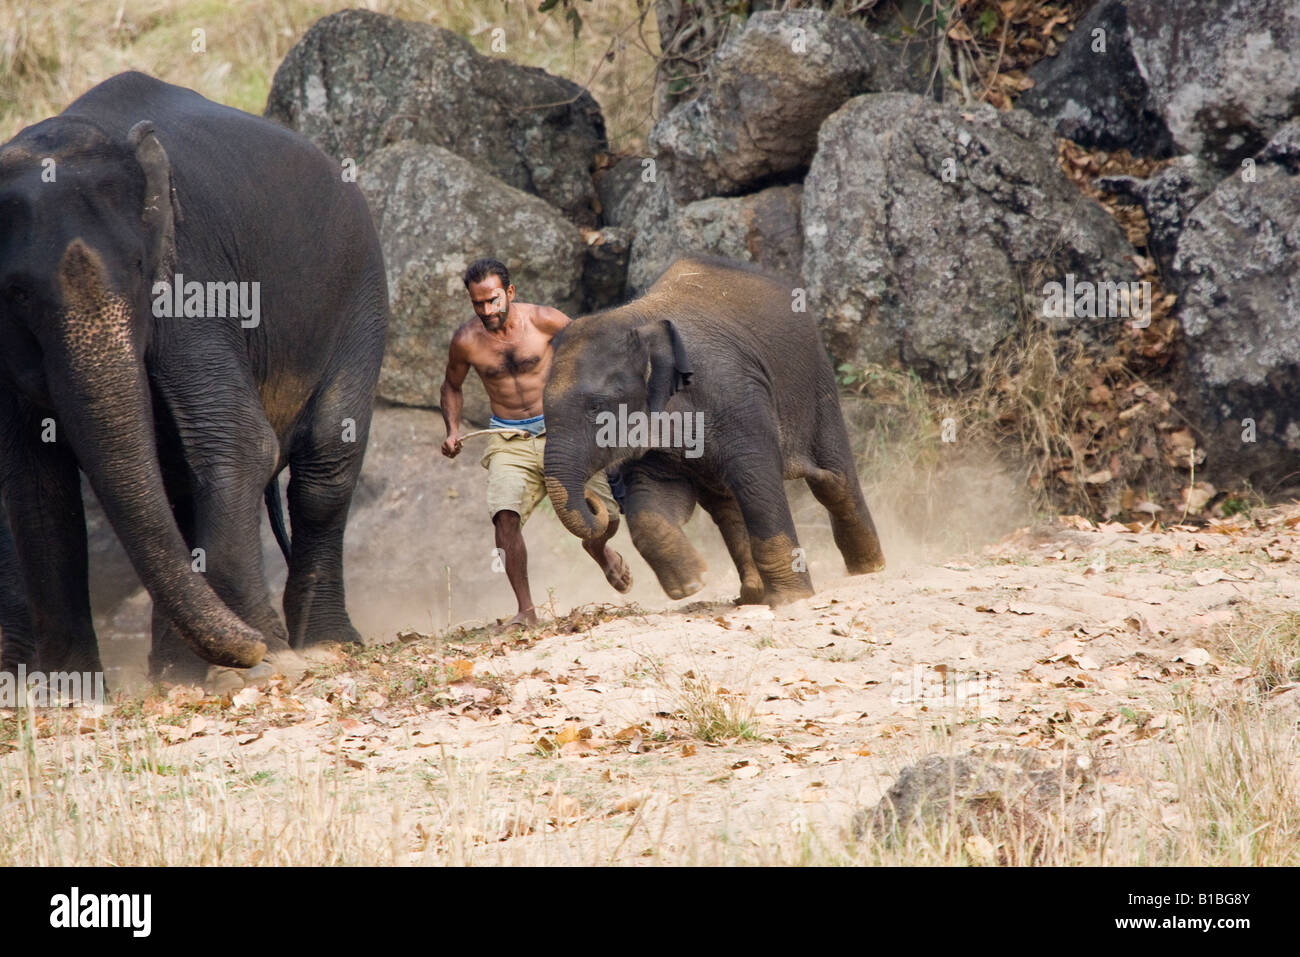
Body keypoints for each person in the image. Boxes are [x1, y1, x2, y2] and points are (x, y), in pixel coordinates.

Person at [440, 258, 632, 629]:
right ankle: (526, 611)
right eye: (477, 303)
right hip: (508, 437)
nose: (486, 310)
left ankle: (597, 547)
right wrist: (451, 429)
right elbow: (452, 385)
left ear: (509, 293)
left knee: (605, 518)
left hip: (562, 431)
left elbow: (590, 353)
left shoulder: (545, 320)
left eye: (493, 300)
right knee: (504, 516)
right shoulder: (466, 341)